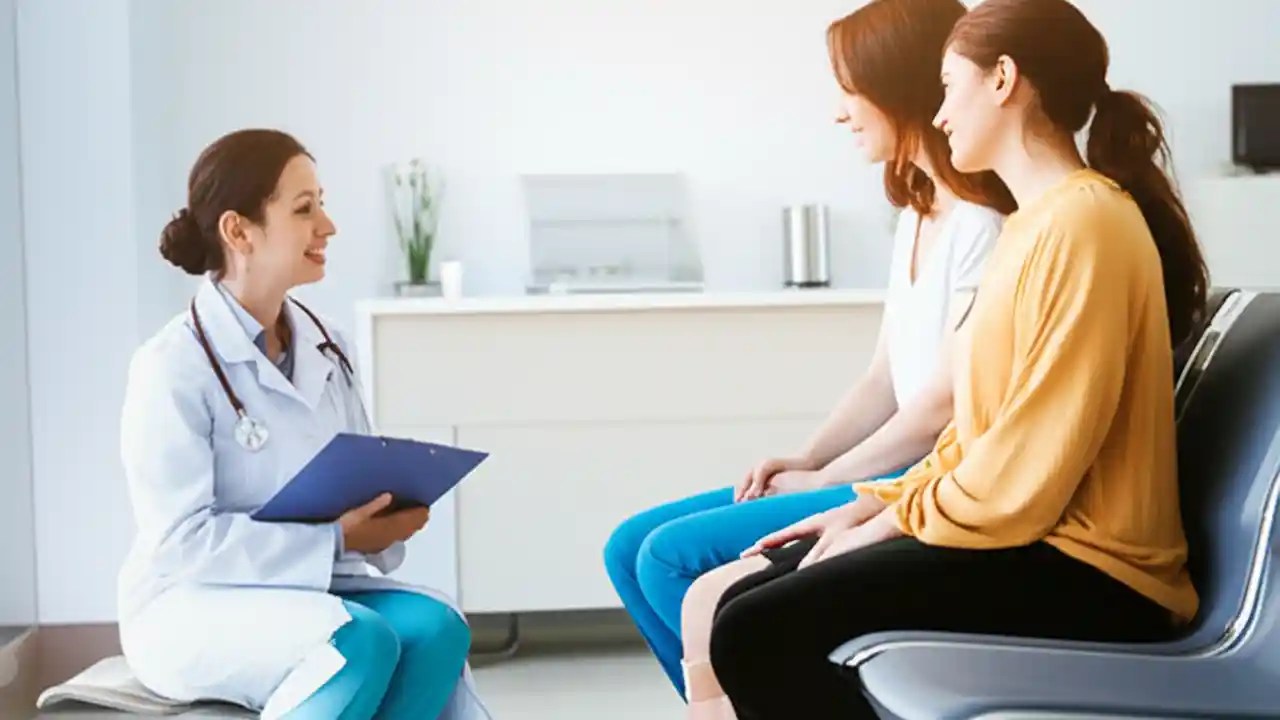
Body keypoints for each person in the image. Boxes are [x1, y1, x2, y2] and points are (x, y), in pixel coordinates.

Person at [698, 0, 1212, 717]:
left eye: (948, 85)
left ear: (1002, 79)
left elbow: (1027, 470)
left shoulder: (1085, 223)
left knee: (757, 629)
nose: (938, 114)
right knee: (746, 605)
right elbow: (978, 433)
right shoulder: (1038, 225)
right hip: (1032, 537)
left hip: (1094, 571)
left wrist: (885, 523)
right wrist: (876, 505)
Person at [601, 0, 1016, 706]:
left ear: (900, 87)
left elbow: (937, 410)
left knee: (668, 558)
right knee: (626, 546)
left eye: (850, 90)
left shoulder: (982, 222)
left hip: (925, 471)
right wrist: (808, 458)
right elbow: (885, 377)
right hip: (891, 453)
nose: (840, 112)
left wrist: (833, 476)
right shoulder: (919, 214)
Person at [116, 129, 491, 720]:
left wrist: (387, 517)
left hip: (306, 585)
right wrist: (338, 538)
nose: (328, 226)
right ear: (238, 231)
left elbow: (356, 466)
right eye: (304, 209)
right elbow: (180, 543)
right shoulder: (171, 365)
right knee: (354, 645)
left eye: (322, 203)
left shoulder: (327, 345)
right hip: (191, 601)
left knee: (436, 629)